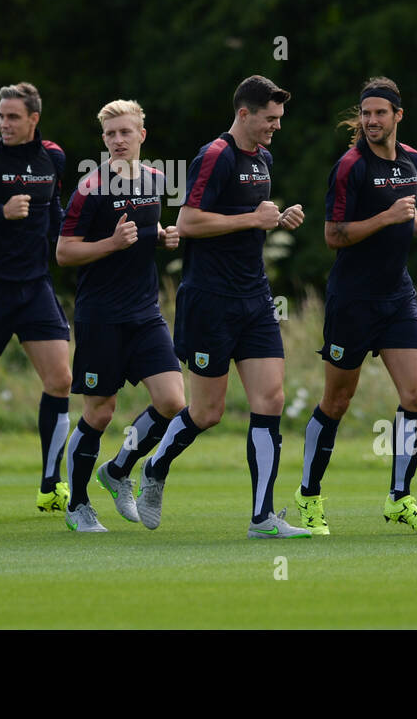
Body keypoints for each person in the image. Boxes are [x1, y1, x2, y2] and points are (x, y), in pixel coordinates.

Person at [137, 75, 309, 539]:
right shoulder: (215, 155)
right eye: (269, 119)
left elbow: (248, 217)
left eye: (279, 119)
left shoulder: (264, 159)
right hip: (210, 299)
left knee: (270, 400)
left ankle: (262, 518)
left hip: (255, 298)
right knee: (207, 411)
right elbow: (187, 222)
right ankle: (154, 467)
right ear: (244, 113)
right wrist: (253, 218)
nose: (276, 128)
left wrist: (276, 217)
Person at [296, 77, 417, 536]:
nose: (372, 121)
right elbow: (332, 236)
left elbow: (407, 207)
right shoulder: (349, 166)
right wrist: (387, 218)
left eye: (381, 113)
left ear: (398, 115)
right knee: (337, 401)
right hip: (353, 300)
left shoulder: (412, 160)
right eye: (366, 114)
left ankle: (400, 498)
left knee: (416, 396)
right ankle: (308, 499)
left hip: (397, 295)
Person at [55, 100, 185, 532]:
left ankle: (118, 468)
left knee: (172, 401)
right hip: (100, 315)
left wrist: (162, 236)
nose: (118, 140)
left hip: (145, 312)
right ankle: (77, 504)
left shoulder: (156, 180)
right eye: (110, 134)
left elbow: (144, 233)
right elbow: (64, 251)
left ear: (141, 135)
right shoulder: (91, 188)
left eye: (125, 132)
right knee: (100, 412)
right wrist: (110, 243)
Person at [0, 82, 71, 516]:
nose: (4, 123)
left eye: (13, 117)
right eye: (1, 116)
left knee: (60, 380)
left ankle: (50, 484)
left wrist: (68, 244)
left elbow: (54, 210)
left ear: (33, 119)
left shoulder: (53, 157)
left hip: (36, 285)